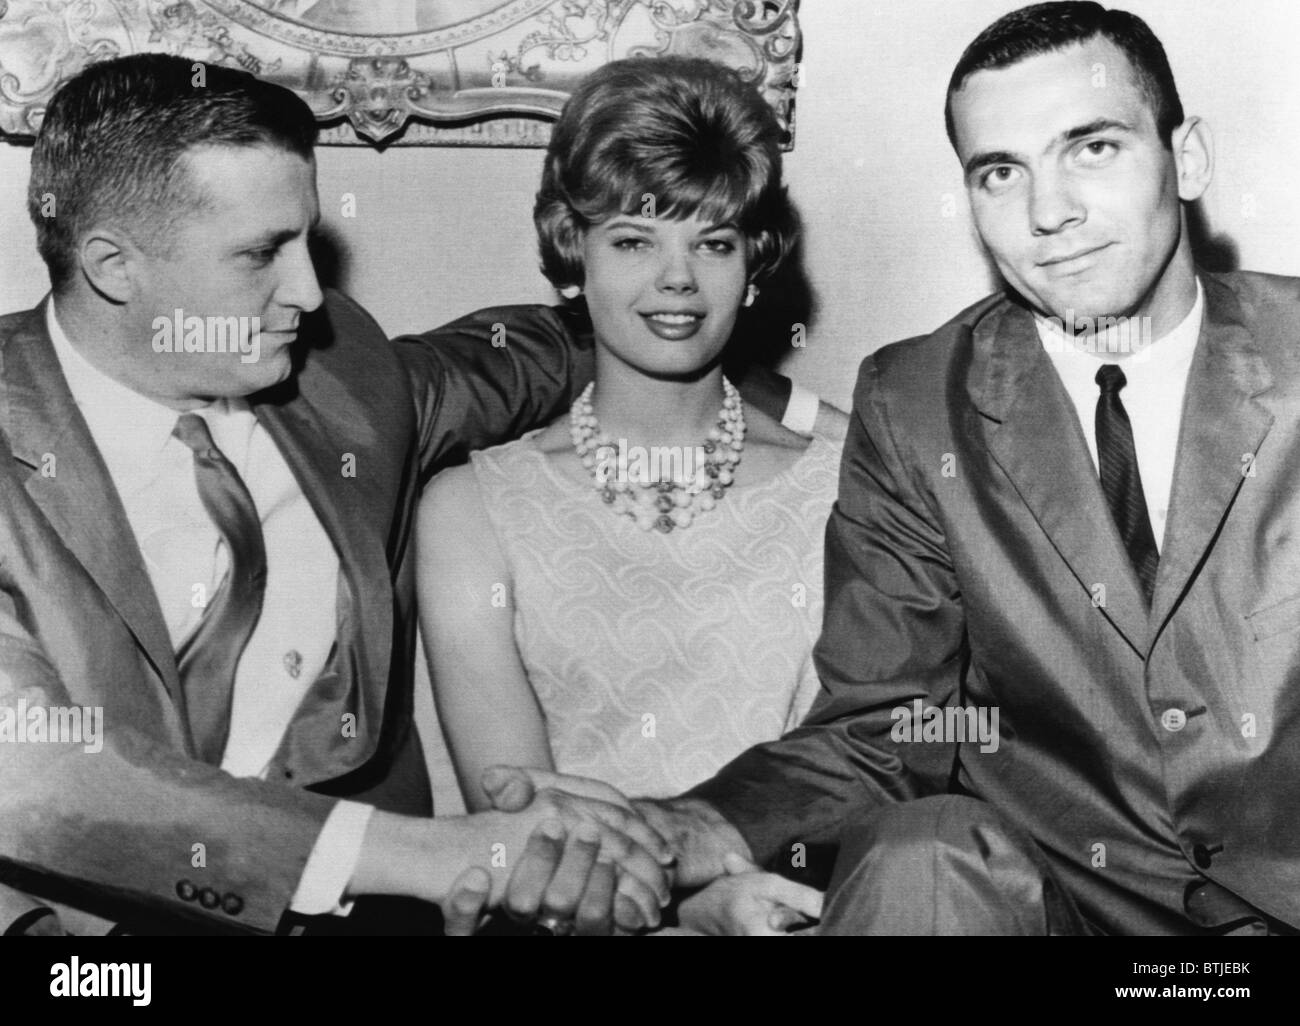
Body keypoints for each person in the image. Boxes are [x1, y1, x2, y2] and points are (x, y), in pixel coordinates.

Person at [495, 0, 1300, 935]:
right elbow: (890, 725)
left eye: (1094, 149)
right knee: (921, 851)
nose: (1050, 213)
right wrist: (687, 829)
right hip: (1073, 920)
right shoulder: (918, 404)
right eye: (1002, 172)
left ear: (1186, 158)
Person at [0, 51, 693, 936]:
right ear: (113, 266)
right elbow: (31, 775)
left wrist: (745, 371)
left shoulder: (339, 376)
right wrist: (443, 854)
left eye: (306, 240)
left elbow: (538, 355)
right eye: (262, 254)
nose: (309, 292)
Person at [417, 57, 834, 935]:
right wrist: (693, 911)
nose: (677, 279)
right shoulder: (470, 510)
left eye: (713, 243)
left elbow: (872, 771)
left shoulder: (850, 476)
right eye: (634, 241)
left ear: (755, 263)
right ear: (574, 254)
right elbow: (519, 827)